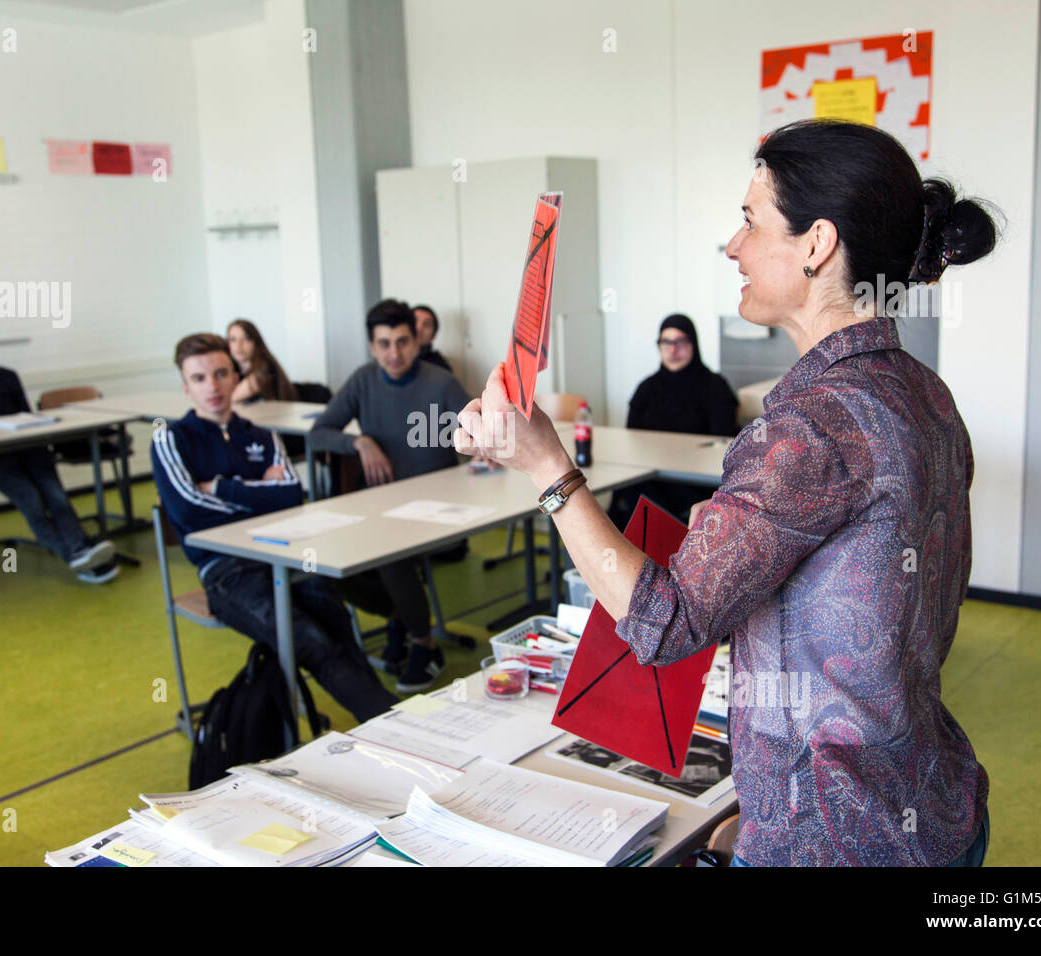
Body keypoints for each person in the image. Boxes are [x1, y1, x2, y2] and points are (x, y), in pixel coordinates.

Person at [455, 119, 998, 867]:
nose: (733, 246)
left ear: (817, 244)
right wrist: (767, 805)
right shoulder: (921, 393)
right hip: (928, 804)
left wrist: (548, 469)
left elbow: (664, 624)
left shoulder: (813, 427)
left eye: (749, 220)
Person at [151, 333, 397, 723]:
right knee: (311, 641)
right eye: (199, 379)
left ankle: (386, 721)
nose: (212, 387)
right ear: (185, 387)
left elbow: (290, 496)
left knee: (338, 625)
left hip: (285, 555)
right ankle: (390, 722)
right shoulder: (170, 439)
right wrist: (259, 490)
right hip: (226, 571)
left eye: (220, 374)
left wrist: (219, 487)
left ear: (236, 377)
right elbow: (188, 510)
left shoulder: (262, 436)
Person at [310, 298, 470, 692]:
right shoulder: (363, 380)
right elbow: (318, 433)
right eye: (383, 344)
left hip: (440, 509)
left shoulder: (441, 383)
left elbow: (478, 431)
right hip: (380, 505)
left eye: (402, 342)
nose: (393, 353)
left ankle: (424, 643)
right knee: (325, 561)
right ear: (371, 346)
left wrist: (475, 444)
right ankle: (401, 615)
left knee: (390, 556)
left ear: (416, 341)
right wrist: (359, 441)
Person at [0, 319, 118, 583]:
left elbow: (25, 413)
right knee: (32, 500)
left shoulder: (6, 375)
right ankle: (76, 555)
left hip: (28, 449)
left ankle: (81, 551)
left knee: (56, 496)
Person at [607, 313, 740, 528]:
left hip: (694, 482)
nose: (673, 350)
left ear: (693, 344)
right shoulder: (646, 389)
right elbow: (630, 441)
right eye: (666, 342)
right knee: (632, 495)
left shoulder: (715, 387)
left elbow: (721, 445)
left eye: (681, 342)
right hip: (650, 477)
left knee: (649, 501)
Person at [226, 318, 299, 405]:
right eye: (233, 339)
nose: (238, 345)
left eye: (246, 338)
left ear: (256, 342)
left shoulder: (266, 368)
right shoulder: (232, 369)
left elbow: (230, 399)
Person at [413, 304, 453, 373]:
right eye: (414, 321)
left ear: (433, 337)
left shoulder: (439, 367)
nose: (419, 328)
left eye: (426, 324)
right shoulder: (393, 354)